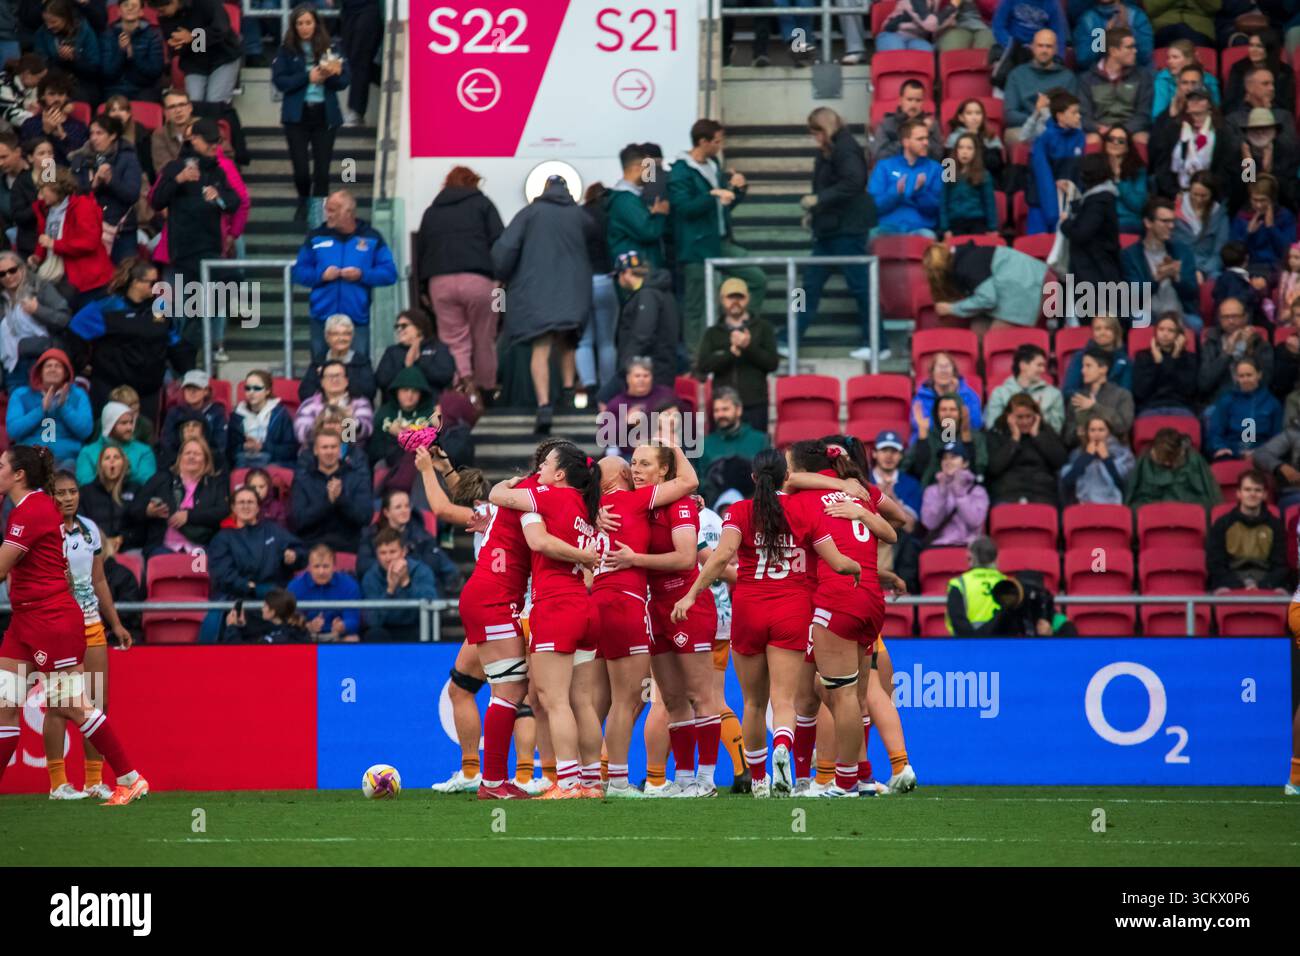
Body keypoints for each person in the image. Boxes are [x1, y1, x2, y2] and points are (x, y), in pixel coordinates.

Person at [672, 447, 862, 797]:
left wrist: (690, 594)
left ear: (753, 478)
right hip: (792, 610)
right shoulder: (805, 510)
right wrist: (856, 568)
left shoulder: (739, 511)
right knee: (784, 701)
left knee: (752, 703)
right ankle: (782, 749)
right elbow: (835, 561)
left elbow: (719, 559)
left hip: (748, 608)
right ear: (786, 478)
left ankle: (758, 779)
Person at [0, 445, 149, 804]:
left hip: (50, 620)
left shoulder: (31, 511)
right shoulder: (28, 509)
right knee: (5, 705)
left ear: (19, 474)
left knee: (73, 705)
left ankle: (130, 778)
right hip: (25, 619)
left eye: (1, 465)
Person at [430, 438, 573, 799]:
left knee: (513, 688)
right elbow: (539, 541)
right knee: (510, 689)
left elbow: (486, 503)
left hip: (494, 597)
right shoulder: (533, 497)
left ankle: (499, 778)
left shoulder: (518, 493)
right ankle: (493, 781)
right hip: (495, 599)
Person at [572, 444, 701, 795]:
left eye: (641, 464)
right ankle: (616, 780)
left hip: (594, 603)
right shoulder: (631, 501)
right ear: (617, 478)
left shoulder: (588, 511)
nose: (634, 472)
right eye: (629, 467)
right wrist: (673, 443)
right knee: (627, 701)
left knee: (595, 702)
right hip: (624, 602)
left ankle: (578, 779)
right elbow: (689, 480)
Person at [486, 443, 603, 798]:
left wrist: (509, 483)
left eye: (546, 464)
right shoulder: (585, 506)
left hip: (555, 606)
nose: (540, 470)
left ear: (560, 474)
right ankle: (591, 782)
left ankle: (566, 783)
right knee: (582, 701)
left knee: (555, 701)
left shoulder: (549, 495)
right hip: (584, 606)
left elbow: (497, 496)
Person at [41, 468, 136, 799]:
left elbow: (98, 581)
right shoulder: (42, 531)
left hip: (92, 621)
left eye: (72, 492)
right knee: (58, 705)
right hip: (56, 625)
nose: (67, 498)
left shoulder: (90, 530)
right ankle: (57, 783)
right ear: (49, 496)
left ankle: (94, 782)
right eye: (60, 493)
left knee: (96, 702)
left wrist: (117, 623)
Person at [491, 175, 592, 434]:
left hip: (537, 294)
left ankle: (544, 405)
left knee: (541, 347)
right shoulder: (580, 216)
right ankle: (569, 397)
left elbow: (505, 248)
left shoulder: (530, 213)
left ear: (544, 190)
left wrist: (502, 274)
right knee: (568, 344)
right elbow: (598, 243)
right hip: (574, 291)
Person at [669, 119, 766, 353]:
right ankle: (697, 357)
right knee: (697, 306)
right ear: (703, 142)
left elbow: (723, 204)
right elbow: (683, 209)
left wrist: (737, 189)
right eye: (717, 141)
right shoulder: (680, 171)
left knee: (757, 278)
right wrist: (712, 195)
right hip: (696, 248)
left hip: (720, 241)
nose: (721, 146)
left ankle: (740, 329)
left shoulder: (713, 164)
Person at [415, 165, 503, 393]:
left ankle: (464, 387)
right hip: (479, 280)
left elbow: (420, 252)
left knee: (454, 341)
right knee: (484, 336)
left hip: (439, 284)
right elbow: (500, 242)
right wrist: (500, 278)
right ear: (473, 182)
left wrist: (423, 290)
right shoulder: (483, 204)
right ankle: (486, 389)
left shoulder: (431, 212)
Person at [800, 106, 873, 357]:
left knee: (861, 287)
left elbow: (854, 182)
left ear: (825, 129)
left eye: (816, 133)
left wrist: (819, 199)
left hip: (847, 230)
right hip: (829, 230)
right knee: (806, 286)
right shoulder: (830, 150)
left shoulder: (845, 148)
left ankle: (876, 342)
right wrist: (814, 212)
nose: (815, 138)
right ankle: (790, 334)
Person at [291, 189, 396, 362]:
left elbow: (389, 273)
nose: (327, 214)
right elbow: (298, 272)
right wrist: (321, 276)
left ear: (348, 213)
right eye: (327, 209)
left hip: (356, 319)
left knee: (358, 371)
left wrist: (362, 275)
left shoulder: (371, 237)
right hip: (321, 318)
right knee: (320, 370)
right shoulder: (316, 236)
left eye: (332, 210)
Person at [271, 3, 349, 226]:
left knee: (322, 171)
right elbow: (280, 81)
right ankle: (303, 201)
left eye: (308, 22)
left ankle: (319, 215)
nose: (304, 27)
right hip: (297, 115)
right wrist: (308, 77)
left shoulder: (332, 46)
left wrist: (331, 74)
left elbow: (343, 82)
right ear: (294, 27)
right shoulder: (286, 50)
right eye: (300, 23)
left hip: (324, 114)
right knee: (301, 170)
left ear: (316, 24)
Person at [204, 486, 304, 641]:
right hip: (240, 605)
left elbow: (301, 552)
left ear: (258, 507)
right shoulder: (222, 538)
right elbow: (223, 575)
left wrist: (294, 556)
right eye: (241, 502)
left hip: (274, 607)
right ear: (233, 507)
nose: (245, 506)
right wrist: (253, 589)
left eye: (250, 502)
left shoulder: (273, 530)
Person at [695, 278, 779, 430]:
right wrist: (730, 353)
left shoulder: (763, 328)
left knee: (757, 449)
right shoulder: (712, 333)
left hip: (755, 403)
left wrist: (748, 346)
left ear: (747, 298)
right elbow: (703, 365)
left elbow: (772, 363)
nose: (735, 302)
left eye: (739, 297)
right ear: (722, 300)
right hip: (722, 406)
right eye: (730, 297)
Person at [31, 167, 113, 311]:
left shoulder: (82, 207)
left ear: (55, 188)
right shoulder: (46, 209)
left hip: (85, 278)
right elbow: (45, 235)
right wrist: (38, 256)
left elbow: (89, 242)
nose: (40, 196)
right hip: (59, 275)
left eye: (43, 190)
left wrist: (54, 244)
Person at [601, 249, 678, 404]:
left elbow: (643, 335)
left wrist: (625, 367)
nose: (617, 281)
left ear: (627, 273)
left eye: (618, 276)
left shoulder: (647, 295)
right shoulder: (659, 292)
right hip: (657, 370)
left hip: (648, 372)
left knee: (605, 400)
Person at [130, 435, 228, 556]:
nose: (191, 457)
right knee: (165, 571)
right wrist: (147, 511)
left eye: (197, 454)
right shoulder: (161, 479)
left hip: (201, 549)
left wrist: (189, 516)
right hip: (163, 547)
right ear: (180, 457)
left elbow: (222, 512)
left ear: (206, 459)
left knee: (199, 572)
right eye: (187, 453)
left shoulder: (215, 484)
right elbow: (134, 508)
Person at [925, 241, 1052, 333]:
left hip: (1029, 289)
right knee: (978, 328)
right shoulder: (964, 254)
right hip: (1036, 279)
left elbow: (988, 299)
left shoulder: (965, 268)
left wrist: (952, 308)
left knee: (994, 341)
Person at [67, 113, 143, 266]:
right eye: (91, 133)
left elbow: (132, 194)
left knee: (125, 276)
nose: (94, 138)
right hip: (89, 229)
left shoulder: (128, 157)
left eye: (99, 133)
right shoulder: (79, 158)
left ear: (113, 135)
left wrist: (111, 180)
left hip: (122, 230)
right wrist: (92, 185)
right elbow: (72, 192)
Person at [148, 0, 243, 111]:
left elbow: (221, 29)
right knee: (193, 104)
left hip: (223, 56)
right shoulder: (164, 17)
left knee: (215, 103)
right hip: (193, 61)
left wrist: (193, 37)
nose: (160, 14)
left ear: (174, 2)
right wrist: (178, 45)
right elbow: (174, 46)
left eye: (162, 10)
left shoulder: (206, 3)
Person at [1121, 197, 1201, 330]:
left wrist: (1177, 277)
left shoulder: (1182, 251)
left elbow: (1193, 292)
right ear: (1148, 223)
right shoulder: (1130, 256)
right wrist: (1157, 278)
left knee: (1196, 325)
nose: (1171, 226)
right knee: (1139, 321)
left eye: (1172, 221)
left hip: (1179, 314)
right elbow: (1132, 298)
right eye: (1165, 221)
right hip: (1148, 315)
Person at [4, 347, 92, 467]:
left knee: (68, 472)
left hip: (67, 459)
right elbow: (13, 431)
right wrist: (41, 410)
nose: (53, 369)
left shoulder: (78, 394)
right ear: (40, 371)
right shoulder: (21, 394)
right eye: (48, 366)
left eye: (58, 366)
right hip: (30, 460)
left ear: (66, 372)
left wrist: (64, 408)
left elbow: (86, 431)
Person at [0, 249, 70, 392]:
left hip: (41, 361)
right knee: (20, 412)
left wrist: (38, 310)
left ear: (22, 268)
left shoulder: (40, 287)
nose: (8, 276)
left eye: (12, 270)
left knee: (47, 411)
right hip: (12, 368)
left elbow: (64, 318)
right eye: (2, 274)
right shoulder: (2, 300)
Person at [1207, 470, 1288, 592]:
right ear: (1238, 493)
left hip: (1266, 579)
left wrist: (1263, 585)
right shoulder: (1223, 524)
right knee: (1221, 592)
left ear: (1265, 494)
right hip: (1231, 578)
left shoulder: (1275, 525)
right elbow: (1215, 563)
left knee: (1282, 594)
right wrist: (1238, 585)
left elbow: (1280, 565)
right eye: (1247, 490)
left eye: (1257, 490)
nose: (1252, 494)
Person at [291, 431, 372, 552]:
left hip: (349, 546)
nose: (329, 452)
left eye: (333, 447)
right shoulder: (303, 481)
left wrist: (341, 499)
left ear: (340, 450)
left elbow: (365, 518)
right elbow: (299, 521)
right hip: (311, 547)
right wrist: (327, 502)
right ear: (316, 451)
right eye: (325, 447)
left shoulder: (356, 478)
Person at [985, 393, 1068, 505]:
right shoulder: (998, 432)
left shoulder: (1045, 432)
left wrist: (1037, 436)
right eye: (1019, 417)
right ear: (1009, 416)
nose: (1025, 422)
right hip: (1008, 493)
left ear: (1036, 416)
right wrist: (1014, 439)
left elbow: (1060, 461)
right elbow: (994, 468)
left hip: (1042, 493)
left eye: (1028, 416)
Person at [868, 118, 943, 239]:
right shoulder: (884, 167)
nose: (926, 143)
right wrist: (895, 194)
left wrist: (920, 192)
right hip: (888, 227)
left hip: (920, 228)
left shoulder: (936, 169)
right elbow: (873, 207)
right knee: (873, 236)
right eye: (920, 139)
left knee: (929, 237)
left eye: (926, 138)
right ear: (906, 142)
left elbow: (937, 210)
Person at [360, 527, 438, 642]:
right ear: (376, 554)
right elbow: (373, 620)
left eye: (392, 552)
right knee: (374, 634)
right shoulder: (370, 577)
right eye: (383, 553)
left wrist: (406, 583)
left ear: (403, 551)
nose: (387, 558)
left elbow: (430, 604)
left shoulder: (421, 570)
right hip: (386, 630)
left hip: (414, 628)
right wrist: (390, 590)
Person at [367, 365, 437, 491]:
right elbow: (374, 448)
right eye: (405, 390)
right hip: (390, 465)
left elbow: (436, 443)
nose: (409, 395)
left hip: (421, 466)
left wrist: (400, 433)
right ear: (397, 391)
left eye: (415, 391)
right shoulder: (384, 413)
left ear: (421, 393)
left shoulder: (430, 413)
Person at [1003, 30, 1078, 146]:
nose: (1044, 50)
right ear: (1032, 47)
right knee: (1015, 136)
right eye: (1040, 46)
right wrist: (1036, 115)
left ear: (1056, 49)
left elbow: (1072, 113)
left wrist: (1049, 122)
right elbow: (1010, 115)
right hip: (1025, 127)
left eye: (1048, 46)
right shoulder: (1017, 74)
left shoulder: (1067, 77)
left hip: (1058, 128)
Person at [1060, 154, 1121, 292]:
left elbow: (1081, 233)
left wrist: (1065, 223)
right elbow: (1086, 214)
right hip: (1094, 271)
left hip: (1094, 274)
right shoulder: (1099, 198)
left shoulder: (1099, 201)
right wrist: (1072, 195)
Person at [1026, 90, 1084, 234]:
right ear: (1060, 116)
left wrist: (1076, 205)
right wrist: (1053, 214)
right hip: (1041, 204)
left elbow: (1081, 173)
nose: (1079, 116)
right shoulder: (1044, 139)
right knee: (1039, 246)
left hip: (1069, 203)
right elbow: (1042, 176)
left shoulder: (1080, 137)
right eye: (1074, 113)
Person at [605, 142, 670, 269]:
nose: (652, 173)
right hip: (636, 272)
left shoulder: (631, 198)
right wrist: (660, 214)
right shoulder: (625, 200)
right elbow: (648, 231)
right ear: (638, 168)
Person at [904, 392, 989, 484]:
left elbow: (979, 470)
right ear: (936, 413)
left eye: (953, 409)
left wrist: (967, 440)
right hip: (931, 492)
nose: (948, 413)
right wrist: (922, 439)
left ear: (961, 412)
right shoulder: (927, 435)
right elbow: (913, 468)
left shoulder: (975, 437)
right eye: (943, 409)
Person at [1200, 296, 1274, 403]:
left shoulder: (1259, 344)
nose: (1230, 321)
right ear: (1219, 319)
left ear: (1245, 317)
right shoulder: (1211, 343)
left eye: (1235, 316)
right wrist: (1227, 353)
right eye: (1225, 317)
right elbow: (1204, 383)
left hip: (1253, 402)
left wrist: (1248, 349)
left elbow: (1266, 381)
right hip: (1219, 401)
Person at [1206, 357, 1281, 458]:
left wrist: (1260, 451)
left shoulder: (1272, 403)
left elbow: (1277, 437)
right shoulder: (1227, 400)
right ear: (1236, 378)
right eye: (1241, 376)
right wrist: (1220, 447)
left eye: (1249, 375)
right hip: (1230, 452)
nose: (1245, 380)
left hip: (1262, 454)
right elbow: (1215, 431)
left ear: (1259, 375)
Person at [1123, 426, 1218, 506]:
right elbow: (1133, 497)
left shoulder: (1193, 460)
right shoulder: (1145, 460)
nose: (1167, 464)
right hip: (1153, 512)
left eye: (1170, 461)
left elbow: (1209, 497)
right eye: (1162, 461)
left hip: (1187, 511)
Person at [287, 542, 362, 642]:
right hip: (306, 636)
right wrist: (307, 626)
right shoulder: (295, 586)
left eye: (326, 566)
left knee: (353, 639)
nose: (321, 572)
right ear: (309, 567)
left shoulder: (349, 585)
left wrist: (343, 626)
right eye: (316, 566)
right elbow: (288, 619)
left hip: (337, 635)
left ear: (334, 566)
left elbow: (353, 619)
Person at [293, 359, 373, 450]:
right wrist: (326, 423)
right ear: (322, 382)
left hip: (350, 455)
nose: (334, 380)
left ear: (346, 381)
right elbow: (301, 434)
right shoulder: (309, 404)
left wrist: (348, 420)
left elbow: (366, 431)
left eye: (338, 376)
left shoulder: (360, 402)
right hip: (314, 455)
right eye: (330, 376)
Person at [295, 314, 377, 402]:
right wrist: (323, 378)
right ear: (327, 337)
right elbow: (304, 393)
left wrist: (331, 379)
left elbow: (369, 391)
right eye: (335, 334)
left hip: (353, 409)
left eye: (346, 334)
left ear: (352, 337)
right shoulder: (319, 360)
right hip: (322, 408)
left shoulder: (361, 361)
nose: (341, 338)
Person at [920, 442, 988, 545]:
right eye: (944, 458)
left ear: (965, 463)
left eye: (953, 457)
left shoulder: (977, 491)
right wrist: (941, 496)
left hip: (969, 547)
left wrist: (960, 495)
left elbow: (975, 522)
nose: (948, 462)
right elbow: (930, 524)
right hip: (940, 546)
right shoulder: (932, 491)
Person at [33, 0, 99, 106]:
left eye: (54, 22)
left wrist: (74, 59)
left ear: (66, 18)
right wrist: (59, 59)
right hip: (54, 85)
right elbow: (41, 65)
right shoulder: (42, 33)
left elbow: (94, 66)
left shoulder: (84, 31)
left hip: (82, 84)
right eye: (46, 22)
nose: (49, 26)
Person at [1132, 311, 1199, 416]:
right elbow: (1141, 392)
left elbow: (1188, 390)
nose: (1165, 333)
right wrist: (1157, 363)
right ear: (1155, 332)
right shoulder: (1143, 356)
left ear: (1179, 335)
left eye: (1170, 330)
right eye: (1161, 329)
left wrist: (1174, 357)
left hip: (1180, 406)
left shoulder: (1188, 358)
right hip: (1150, 406)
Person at [75, 400, 155, 486]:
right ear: (110, 425)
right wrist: (108, 475)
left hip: (133, 497)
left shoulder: (144, 451)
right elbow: (84, 483)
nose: (130, 427)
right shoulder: (88, 452)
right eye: (124, 423)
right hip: (97, 498)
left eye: (131, 422)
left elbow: (148, 482)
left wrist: (127, 472)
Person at [1060, 411, 1135, 504]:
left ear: (1109, 432)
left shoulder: (1121, 452)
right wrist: (1087, 457)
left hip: (1113, 505)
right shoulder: (1078, 453)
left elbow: (1124, 485)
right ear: (1087, 432)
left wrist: (1106, 459)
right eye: (1092, 430)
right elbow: (1067, 481)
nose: (1097, 434)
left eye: (1101, 430)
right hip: (1084, 505)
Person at [78, 444, 142, 552]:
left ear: (124, 463)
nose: (112, 461)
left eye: (116, 457)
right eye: (107, 458)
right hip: (94, 549)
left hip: (128, 547)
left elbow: (141, 526)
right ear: (100, 465)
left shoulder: (135, 489)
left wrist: (122, 538)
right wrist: (102, 542)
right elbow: (81, 525)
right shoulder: (86, 492)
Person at [697, 386, 771, 478]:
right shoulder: (704, 444)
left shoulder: (760, 440)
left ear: (739, 410)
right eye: (716, 410)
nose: (720, 415)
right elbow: (700, 481)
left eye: (725, 409)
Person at [229, 369, 296, 469]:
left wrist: (262, 447)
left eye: (257, 388)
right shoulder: (237, 415)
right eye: (248, 388)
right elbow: (229, 451)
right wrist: (244, 447)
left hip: (272, 464)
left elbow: (290, 450)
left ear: (267, 391)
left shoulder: (280, 414)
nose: (251, 392)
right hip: (244, 463)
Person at [99, 0, 164, 102]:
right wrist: (121, 52)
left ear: (141, 11)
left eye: (134, 5)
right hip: (116, 88)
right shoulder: (108, 35)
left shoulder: (153, 35)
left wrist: (133, 54)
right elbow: (107, 72)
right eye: (126, 5)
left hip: (145, 88)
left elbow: (155, 71)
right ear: (119, 11)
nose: (130, 8)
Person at [161, 368, 228, 467]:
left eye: (196, 388)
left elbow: (220, 445)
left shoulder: (217, 412)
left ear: (206, 391)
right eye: (188, 388)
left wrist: (199, 458)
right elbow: (167, 441)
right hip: (177, 462)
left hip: (209, 463)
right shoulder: (174, 412)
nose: (191, 392)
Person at [910, 350, 984, 439]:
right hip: (930, 441)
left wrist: (954, 397)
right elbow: (920, 425)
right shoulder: (921, 397)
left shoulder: (969, 395)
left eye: (947, 366)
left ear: (954, 371)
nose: (943, 371)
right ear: (932, 372)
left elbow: (976, 424)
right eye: (940, 367)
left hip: (960, 441)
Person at [1172, 171, 1230, 282]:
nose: (1199, 199)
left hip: (1207, 268)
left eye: (1204, 196)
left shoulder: (1219, 214)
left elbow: (1219, 252)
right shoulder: (1175, 208)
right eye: (1195, 194)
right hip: (1179, 265)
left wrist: (1202, 271)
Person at [18, 70, 86, 165]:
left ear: (67, 97)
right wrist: (45, 133)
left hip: (66, 176)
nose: (56, 99)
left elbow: (78, 160)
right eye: (52, 94)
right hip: (37, 176)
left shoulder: (78, 126)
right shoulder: (30, 124)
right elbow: (26, 156)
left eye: (61, 94)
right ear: (42, 96)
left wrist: (63, 137)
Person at [1230, 175, 1296, 271]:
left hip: (1275, 268)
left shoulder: (1285, 216)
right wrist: (1248, 233)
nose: (1258, 205)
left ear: (1272, 200)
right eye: (1255, 200)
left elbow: (1287, 252)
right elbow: (1233, 252)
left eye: (1263, 200)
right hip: (1247, 267)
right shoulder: (1242, 216)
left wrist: (1271, 228)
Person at [941, 131, 999, 240]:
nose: (964, 152)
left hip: (977, 222)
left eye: (969, 148)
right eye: (961, 148)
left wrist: (993, 228)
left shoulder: (984, 174)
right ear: (956, 151)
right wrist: (945, 228)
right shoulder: (949, 172)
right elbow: (943, 202)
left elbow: (989, 203)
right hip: (955, 223)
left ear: (975, 152)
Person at [868, 79, 944, 162]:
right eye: (909, 99)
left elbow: (937, 156)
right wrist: (910, 142)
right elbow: (879, 155)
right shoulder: (886, 124)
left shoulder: (931, 125)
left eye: (918, 100)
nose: (913, 104)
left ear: (923, 102)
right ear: (900, 101)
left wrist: (926, 133)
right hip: (894, 170)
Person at [1224, 31, 1295, 117]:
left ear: (1270, 49)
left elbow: (1286, 106)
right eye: (1251, 45)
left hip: (1274, 115)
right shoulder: (1238, 68)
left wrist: (1267, 105)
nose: (1253, 50)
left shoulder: (1284, 72)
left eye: (1259, 46)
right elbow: (1230, 103)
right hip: (1242, 115)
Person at [1072, 1, 1153, 73]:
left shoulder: (1135, 16)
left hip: (1134, 77)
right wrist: (1104, 38)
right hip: (1099, 79)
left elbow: (1145, 56)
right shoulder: (1088, 19)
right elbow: (1083, 60)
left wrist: (1127, 31)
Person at [338, 0, 382, 126]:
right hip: (348, 10)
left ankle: (356, 112)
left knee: (360, 59)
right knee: (352, 61)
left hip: (368, 8)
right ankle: (391, 81)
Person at [1150, 40, 1220, 118]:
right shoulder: (1163, 80)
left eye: (1175, 57)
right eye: (1169, 58)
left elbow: (1216, 112)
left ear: (1189, 59)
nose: (1169, 61)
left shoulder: (1209, 81)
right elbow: (1157, 115)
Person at [1100, 125, 1148, 235]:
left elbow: (1138, 205)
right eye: (1111, 139)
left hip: (1127, 222)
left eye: (1121, 141)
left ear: (1127, 147)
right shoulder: (1095, 166)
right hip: (1101, 221)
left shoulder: (1138, 170)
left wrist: (1118, 178)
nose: (1115, 143)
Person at [870, 430, 922, 527]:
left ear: (901, 455)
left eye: (894, 451)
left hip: (901, 540)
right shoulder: (863, 480)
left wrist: (892, 500)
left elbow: (909, 527)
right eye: (884, 450)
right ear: (874, 453)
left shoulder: (911, 484)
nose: (889, 456)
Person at [222, 588, 312, 644]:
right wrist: (242, 627)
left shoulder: (275, 639)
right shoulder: (298, 630)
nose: (262, 609)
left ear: (272, 612)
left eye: (265, 605)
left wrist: (231, 627)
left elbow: (241, 654)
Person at [0, 54, 45, 131]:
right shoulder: (3, 83)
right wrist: (40, 120)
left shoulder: (32, 87)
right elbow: (10, 113)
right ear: (27, 74)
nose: (40, 82)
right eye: (39, 78)